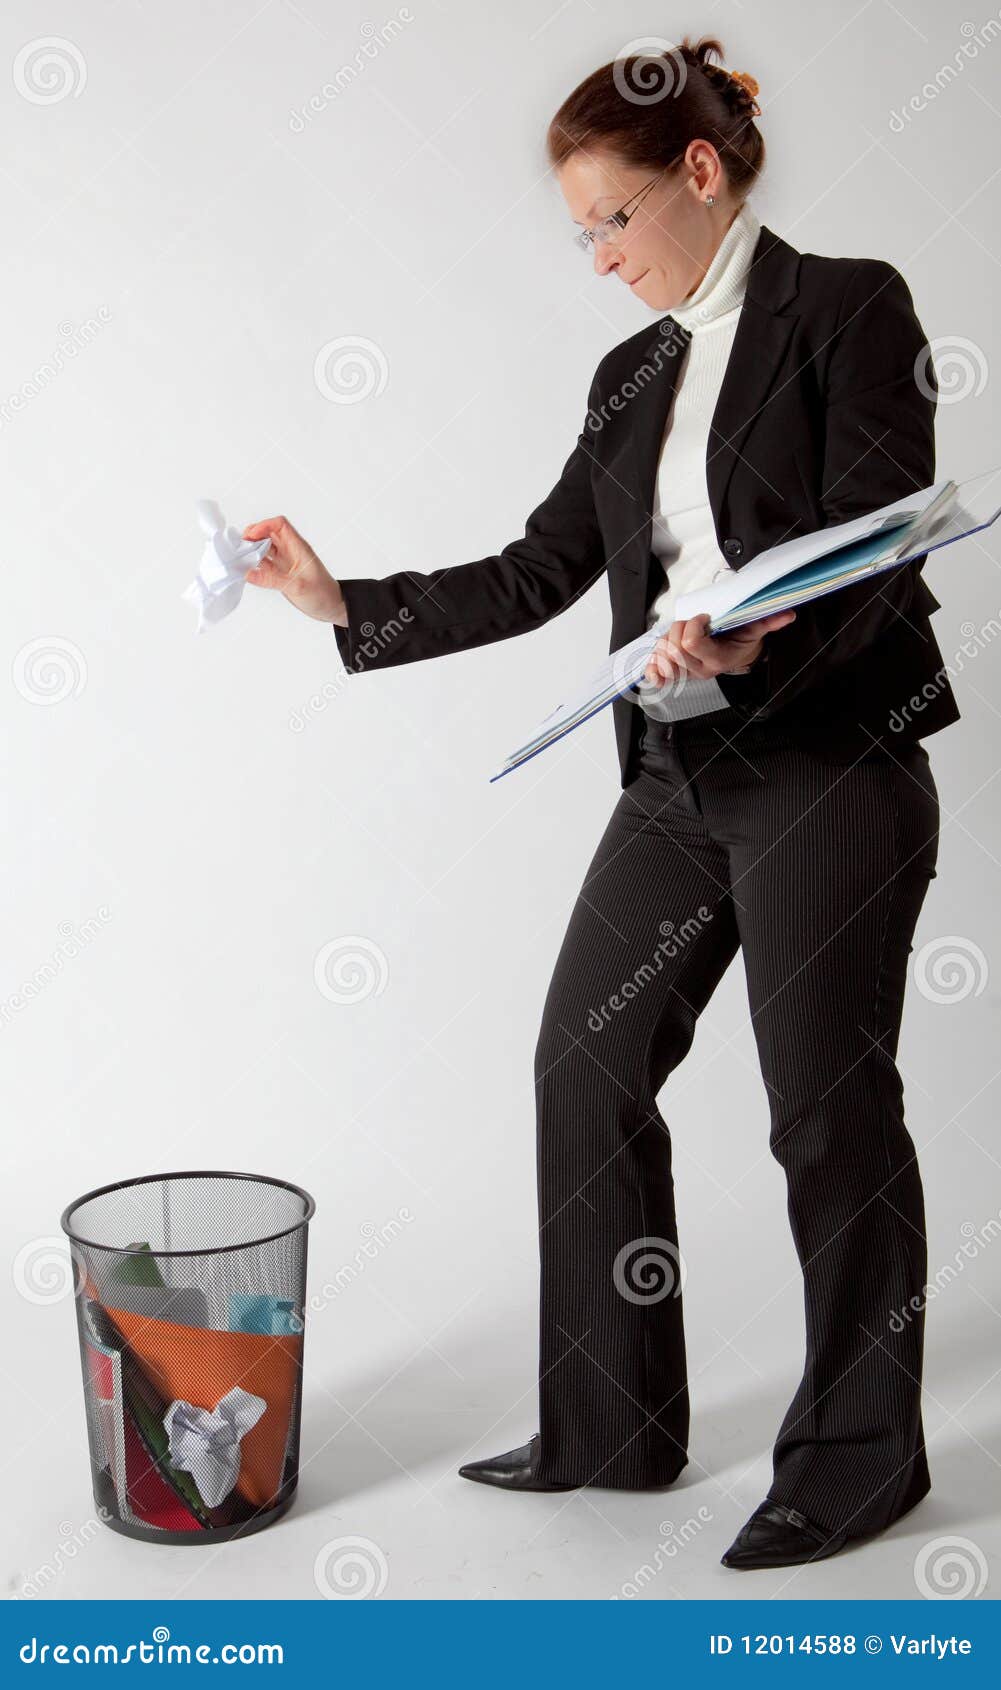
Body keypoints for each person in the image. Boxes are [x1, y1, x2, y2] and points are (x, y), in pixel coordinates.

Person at [242, 37, 959, 1570]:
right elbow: (538, 567)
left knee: (824, 1115)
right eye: (579, 233)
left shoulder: (847, 307)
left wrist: (753, 629)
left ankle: (859, 1459)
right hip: (675, 777)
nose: (597, 259)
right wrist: (339, 602)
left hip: (829, 763)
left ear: (697, 174)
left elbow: (884, 538)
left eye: (611, 221)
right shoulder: (628, 371)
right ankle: (612, 1423)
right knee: (583, 1064)